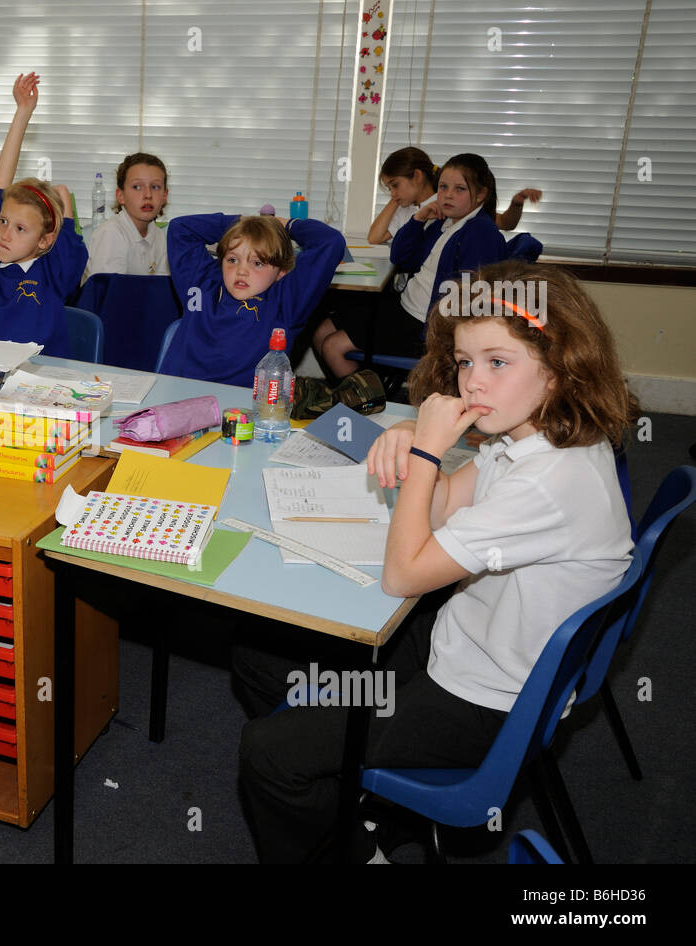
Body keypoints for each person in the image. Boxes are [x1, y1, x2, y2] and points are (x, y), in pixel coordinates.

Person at [235, 260, 637, 863]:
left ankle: (348, 847)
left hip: (482, 702)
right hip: (465, 643)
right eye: (466, 361)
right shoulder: (532, 437)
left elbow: (403, 574)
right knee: (260, 657)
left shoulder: (550, 483)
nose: (474, 382)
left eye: (498, 362)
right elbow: (447, 504)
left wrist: (424, 451)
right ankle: (353, 791)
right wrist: (409, 446)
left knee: (268, 752)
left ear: (558, 369)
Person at [314, 153, 507, 379]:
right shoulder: (446, 222)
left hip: (423, 327)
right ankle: (354, 396)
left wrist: (437, 341)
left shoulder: (480, 233)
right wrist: (418, 220)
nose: (448, 195)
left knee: (332, 346)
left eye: (460, 189)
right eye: (443, 187)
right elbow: (401, 256)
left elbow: (470, 300)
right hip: (405, 308)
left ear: (481, 195)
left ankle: (364, 405)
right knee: (321, 331)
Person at [0, 73, 86, 359]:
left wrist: (64, 203)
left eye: (21, 229)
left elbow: (66, 231)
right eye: (3, 222)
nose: (5, 234)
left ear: (46, 240)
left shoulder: (54, 272)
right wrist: (22, 111)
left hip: (42, 383)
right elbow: (1, 183)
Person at [161, 210, 343, 387]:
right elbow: (180, 228)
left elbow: (330, 242)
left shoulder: (285, 302)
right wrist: (243, 222)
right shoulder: (201, 284)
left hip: (242, 409)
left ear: (281, 272)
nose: (241, 271)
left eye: (257, 263)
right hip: (179, 397)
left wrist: (287, 225)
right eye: (232, 260)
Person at [368, 146, 541, 243]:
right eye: (390, 188)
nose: (393, 193)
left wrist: (516, 204)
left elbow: (504, 223)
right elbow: (374, 237)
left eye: (395, 185)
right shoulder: (407, 208)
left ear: (417, 176)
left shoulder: (448, 203)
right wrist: (395, 198)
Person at [83, 152, 170, 281]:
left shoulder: (160, 237)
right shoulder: (111, 233)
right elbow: (111, 295)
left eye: (155, 187)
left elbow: (161, 289)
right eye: (137, 187)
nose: (148, 194)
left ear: (164, 196)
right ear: (121, 196)